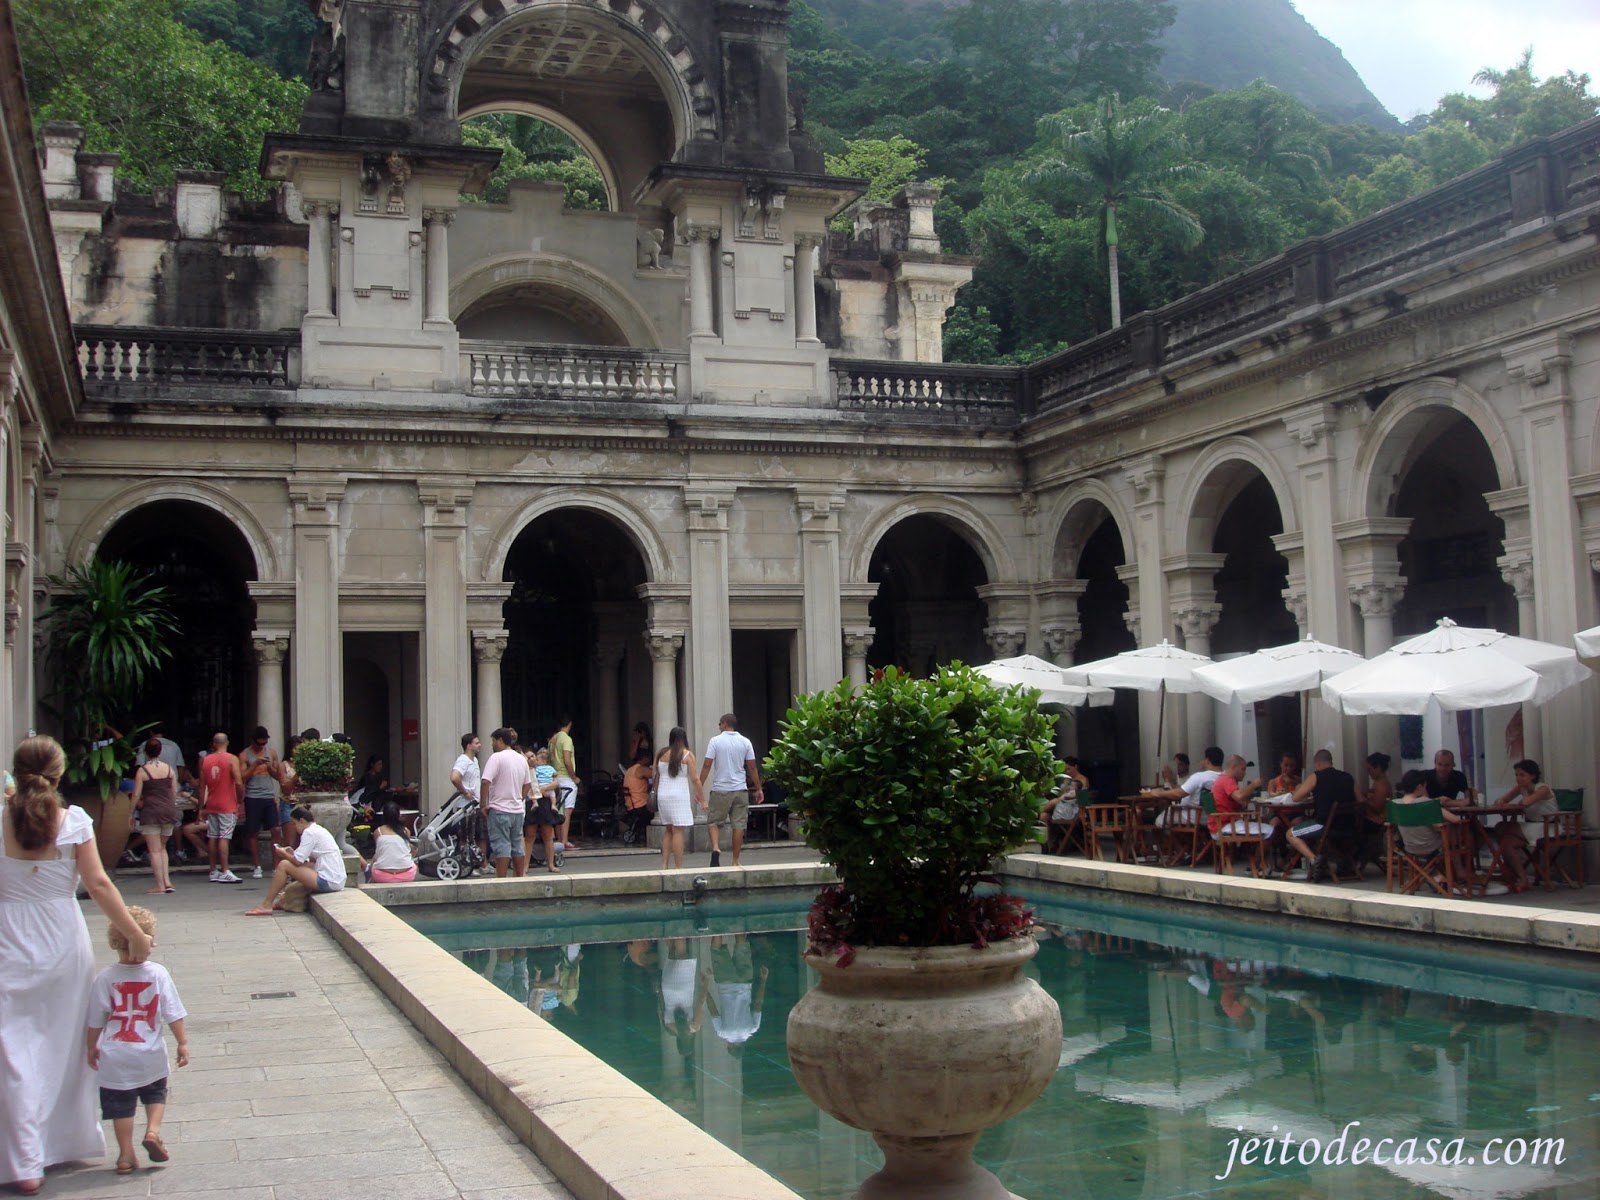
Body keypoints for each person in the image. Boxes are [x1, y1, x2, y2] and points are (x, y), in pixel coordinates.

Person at [1, 735, 153, 1194]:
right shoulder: (74, 822)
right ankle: (51, 1144)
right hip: (62, 940)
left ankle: (24, 1157)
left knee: (12, 1051)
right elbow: (99, 884)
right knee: (61, 1048)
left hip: (7, 937)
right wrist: (134, 933)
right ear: (60, 773)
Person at [84, 906, 188, 1174]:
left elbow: (96, 1017)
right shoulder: (157, 973)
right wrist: (182, 1042)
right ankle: (153, 1131)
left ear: (114, 942)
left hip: (116, 1053)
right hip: (150, 1051)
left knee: (120, 1105)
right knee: (155, 1092)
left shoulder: (106, 977)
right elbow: (172, 1011)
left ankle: (125, 1155)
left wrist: (91, 1046)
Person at [245, 805, 346, 914]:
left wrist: (283, 854)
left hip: (329, 881)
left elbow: (297, 861)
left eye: (294, 823)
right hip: (337, 880)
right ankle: (282, 901)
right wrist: (292, 854)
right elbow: (305, 859)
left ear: (301, 821)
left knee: (284, 865)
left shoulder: (309, 832)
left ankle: (267, 904)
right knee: (302, 865)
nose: (294, 827)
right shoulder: (318, 829)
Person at [1284, 749, 1359, 880]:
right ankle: (1341, 862)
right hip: (1349, 826)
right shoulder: (1348, 777)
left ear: (1317, 764)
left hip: (1325, 825)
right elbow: (1362, 800)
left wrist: (1300, 788)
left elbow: (1296, 797)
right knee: (1308, 828)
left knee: (1290, 834)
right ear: (1331, 762)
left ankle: (1314, 860)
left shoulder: (1316, 776)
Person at [700, 713, 761, 868]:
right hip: (740, 789)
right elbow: (752, 767)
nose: (718, 727)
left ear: (725, 724)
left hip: (720, 789)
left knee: (714, 822)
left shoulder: (715, 741)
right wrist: (759, 788)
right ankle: (735, 860)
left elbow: (707, 765)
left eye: (720, 724)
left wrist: (699, 785)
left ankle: (715, 848)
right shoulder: (745, 742)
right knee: (739, 825)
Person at [1493, 758, 1559, 893]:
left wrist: (1507, 804)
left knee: (1501, 827)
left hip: (1548, 828)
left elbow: (1526, 803)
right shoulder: (1521, 788)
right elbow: (1502, 799)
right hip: (1532, 828)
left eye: (1522, 775)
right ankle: (1522, 877)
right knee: (1507, 843)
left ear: (1532, 776)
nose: (1518, 778)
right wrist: (1500, 801)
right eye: (1516, 775)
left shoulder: (1542, 788)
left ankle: (1511, 872)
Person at [131, 737, 179, 894]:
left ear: (145, 752)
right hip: (168, 811)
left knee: (154, 850)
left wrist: (131, 813)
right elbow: (174, 792)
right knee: (162, 847)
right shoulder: (169, 769)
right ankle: (167, 881)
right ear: (160, 751)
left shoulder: (142, 771)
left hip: (151, 812)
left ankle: (159, 885)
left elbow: (136, 794)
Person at [481, 728, 531, 878]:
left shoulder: (496, 758)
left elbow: (485, 781)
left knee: (501, 845)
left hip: (499, 808)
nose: (492, 744)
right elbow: (528, 784)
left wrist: (483, 804)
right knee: (517, 845)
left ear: (500, 740)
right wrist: (520, 798)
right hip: (517, 810)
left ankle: (501, 879)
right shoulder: (521, 758)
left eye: (493, 741)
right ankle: (519, 876)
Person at [654, 727, 704, 870]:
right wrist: (702, 797)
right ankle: (678, 866)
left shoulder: (661, 754)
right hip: (679, 794)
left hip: (663, 793)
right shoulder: (687, 755)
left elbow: (655, 774)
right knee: (678, 831)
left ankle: (664, 864)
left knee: (668, 830)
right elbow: (695, 779)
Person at [197, 732, 244, 884]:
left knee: (213, 836)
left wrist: (200, 807)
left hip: (212, 802)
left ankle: (213, 870)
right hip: (227, 803)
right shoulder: (231, 759)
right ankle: (225, 870)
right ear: (227, 743)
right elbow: (238, 782)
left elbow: (201, 786)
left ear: (214, 744)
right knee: (224, 837)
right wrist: (239, 799)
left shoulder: (206, 760)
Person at [239, 726, 282, 880]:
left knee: (275, 829)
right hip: (253, 796)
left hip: (268, 796)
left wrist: (270, 768)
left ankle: (276, 865)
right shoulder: (245, 755)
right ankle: (257, 865)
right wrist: (255, 764)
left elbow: (278, 776)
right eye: (259, 743)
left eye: (264, 743)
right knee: (253, 831)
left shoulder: (271, 753)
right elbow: (242, 777)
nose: (261, 746)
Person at [522, 746, 561, 872]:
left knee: (548, 834)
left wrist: (544, 788)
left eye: (532, 756)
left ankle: (551, 864)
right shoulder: (526, 771)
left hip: (545, 802)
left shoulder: (547, 769)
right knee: (529, 835)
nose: (531, 759)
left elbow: (556, 782)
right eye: (528, 757)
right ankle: (525, 866)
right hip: (532, 802)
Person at [362, 800, 418, 883]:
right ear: (398, 815)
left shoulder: (378, 832)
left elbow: (379, 852)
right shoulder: (406, 831)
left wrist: (371, 866)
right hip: (407, 875)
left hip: (382, 876)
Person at [1210, 756, 1269, 834]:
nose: (1244, 773)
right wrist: (1253, 784)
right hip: (1226, 825)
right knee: (1270, 830)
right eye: (1243, 769)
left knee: (1263, 828)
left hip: (1222, 824)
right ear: (1234, 767)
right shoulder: (1227, 780)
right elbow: (1239, 795)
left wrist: (1242, 804)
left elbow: (1238, 800)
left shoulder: (1223, 779)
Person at [548, 716, 579, 851]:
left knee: (558, 809)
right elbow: (567, 760)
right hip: (566, 777)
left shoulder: (553, 739)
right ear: (569, 724)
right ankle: (564, 840)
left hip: (555, 777)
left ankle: (560, 839)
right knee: (567, 810)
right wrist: (574, 777)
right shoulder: (566, 739)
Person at [621, 746, 655, 841]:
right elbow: (656, 774)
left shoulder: (630, 770)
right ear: (645, 758)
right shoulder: (640, 769)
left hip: (631, 804)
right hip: (640, 805)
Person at [451, 732, 482, 807]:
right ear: (469, 746)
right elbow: (454, 777)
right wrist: (465, 793)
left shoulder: (475, 760)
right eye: (476, 743)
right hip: (465, 806)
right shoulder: (463, 760)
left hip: (474, 804)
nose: (480, 745)